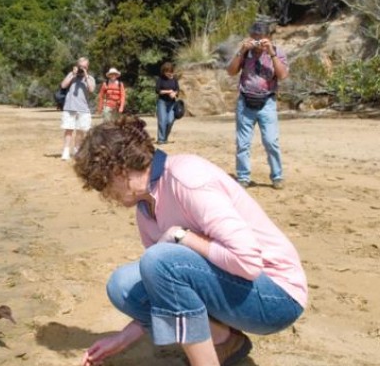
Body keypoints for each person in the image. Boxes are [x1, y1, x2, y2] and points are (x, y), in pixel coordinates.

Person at [73, 116, 307, 366]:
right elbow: (165, 290)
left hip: (277, 296)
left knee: (158, 260)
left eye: (102, 184)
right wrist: (122, 338)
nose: (105, 194)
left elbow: (248, 263)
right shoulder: (146, 208)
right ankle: (223, 340)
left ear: (119, 170)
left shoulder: (186, 178)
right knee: (122, 286)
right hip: (237, 290)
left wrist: (184, 237)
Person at [226, 21, 289, 190]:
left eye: (261, 38)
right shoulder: (245, 53)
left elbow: (282, 75)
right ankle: (243, 177)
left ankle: (277, 176)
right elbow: (231, 71)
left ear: (268, 37)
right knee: (243, 143)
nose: (257, 41)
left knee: (271, 141)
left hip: (267, 102)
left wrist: (271, 54)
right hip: (245, 101)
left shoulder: (277, 52)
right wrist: (242, 50)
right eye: (254, 37)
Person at [59, 57, 96, 161]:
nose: (82, 68)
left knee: (81, 130)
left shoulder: (90, 78)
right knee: (68, 129)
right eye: (81, 66)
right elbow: (63, 85)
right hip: (70, 107)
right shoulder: (72, 75)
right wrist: (73, 74)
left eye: (84, 66)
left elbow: (91, 89)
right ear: (76, 65)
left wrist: (86, 75)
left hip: (83, 108)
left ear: (87, 67)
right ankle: (66, 151)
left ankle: (76, 150)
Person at [154, 62, 179, 144]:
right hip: (162, 102)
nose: (169, 73)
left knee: (170, 120)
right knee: (162, 120)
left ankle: (165, 137)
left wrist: (175, 93)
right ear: (163, 71)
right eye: (167, 71)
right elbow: (157, 90)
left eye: (170, 71)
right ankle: (161, 139)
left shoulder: (174, 79)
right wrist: (168, 91)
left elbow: (177, 89)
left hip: (172, 103)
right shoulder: (160, 79)